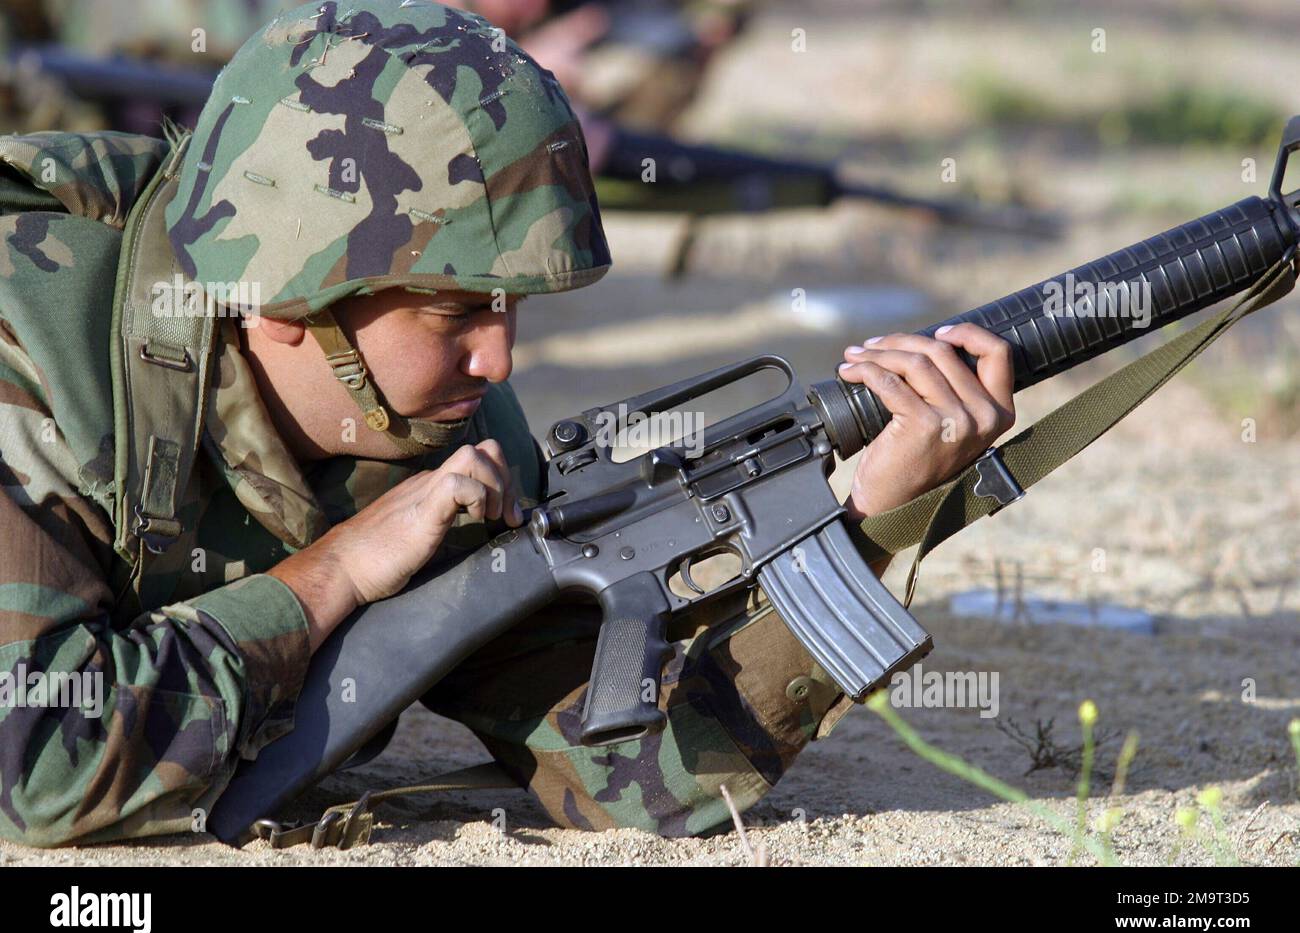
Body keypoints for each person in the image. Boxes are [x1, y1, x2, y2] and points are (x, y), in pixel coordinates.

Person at [0, 0, 1014, 847]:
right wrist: (333, 576)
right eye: (456, 312)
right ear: (282, 298)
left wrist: (871, 514)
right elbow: (37, 766)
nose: (499, 360)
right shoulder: (31, 357)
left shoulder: (442, 428)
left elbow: (636, 779)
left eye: (512, 307)